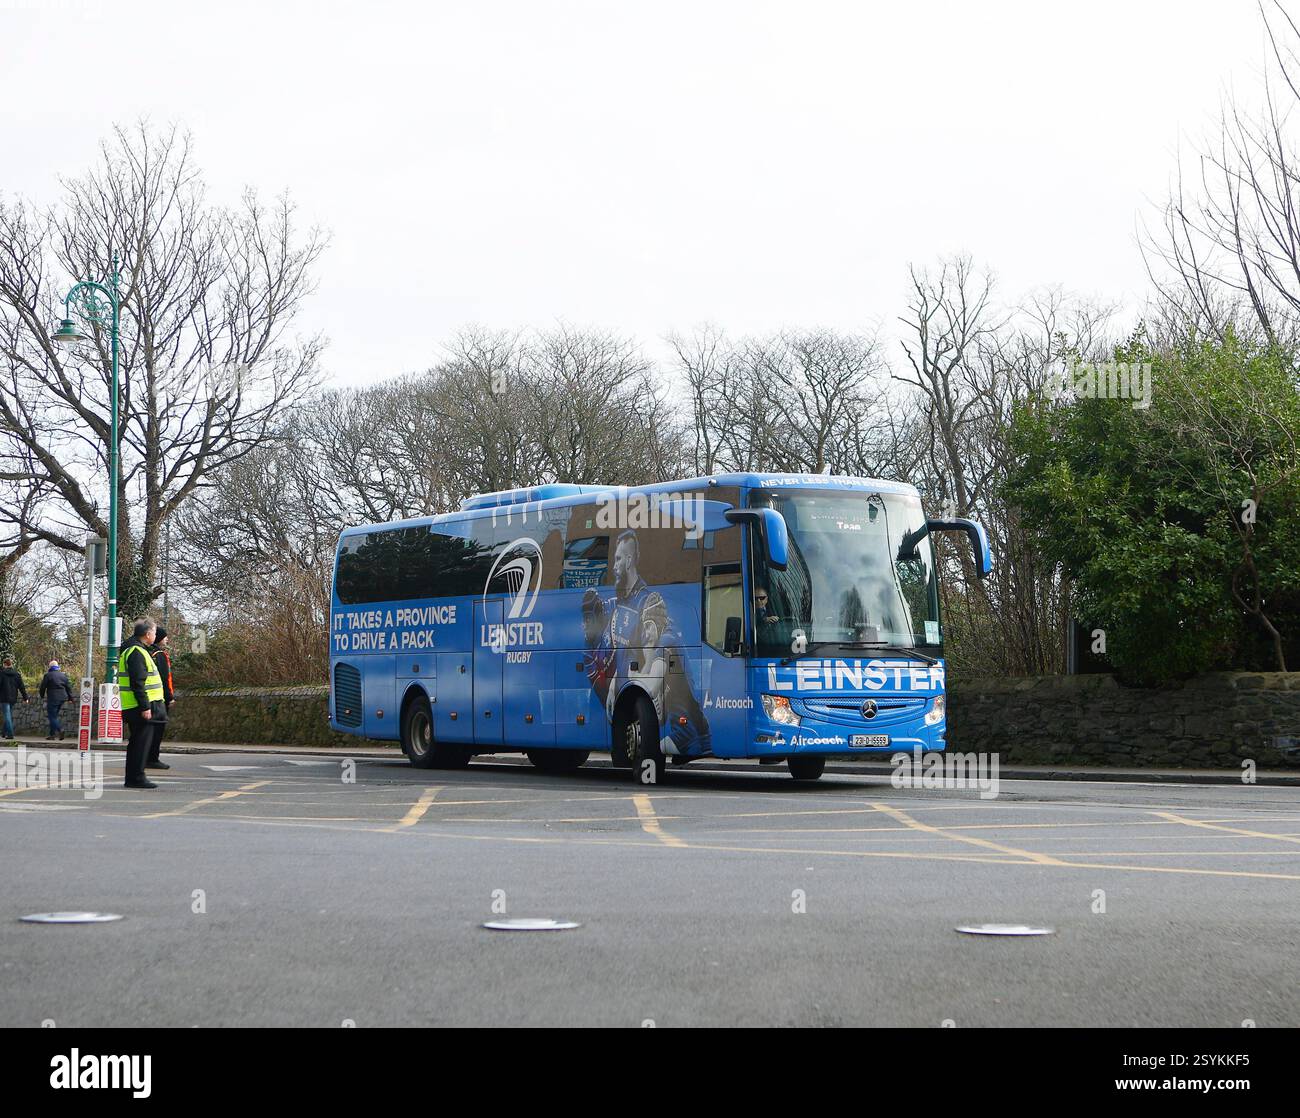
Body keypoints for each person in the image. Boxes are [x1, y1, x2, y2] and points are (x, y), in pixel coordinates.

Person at [117, 618, 167, 790]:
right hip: (140, 707)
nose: (155, 635)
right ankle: (136, 778)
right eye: (154, 632)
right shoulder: (136, 652)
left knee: (138, 743)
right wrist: (145, 707)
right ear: (147, 634)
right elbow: (138, 682)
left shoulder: (136, 650)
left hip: (138, 705)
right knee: (140, 744)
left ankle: (134, 777)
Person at [146, 626, 174, 770]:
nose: (167, 639)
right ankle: (153, 758)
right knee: (158, 730)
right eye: (165, 636)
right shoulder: (160, 655)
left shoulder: (147, 652)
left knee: (148, 731)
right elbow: (164, 678)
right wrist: (169, 697)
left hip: (147, 698)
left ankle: (145, 757)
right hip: (159, 698)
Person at [38, 660, 72, 741]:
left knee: (51, 716)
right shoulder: (63, 676)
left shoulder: (48, 675)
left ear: (50, 667)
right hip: (63, 698)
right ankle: (52, 735)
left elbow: (43, 687)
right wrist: (70, 698)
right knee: (54, 716)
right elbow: (68, 688)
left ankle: (60, 729)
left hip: (53, 698)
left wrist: (42, 695)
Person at [0, 656, 29, 742]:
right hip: (13, 698)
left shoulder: (1, 673)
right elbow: (22, 687)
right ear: (11, 664)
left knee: (7, 716)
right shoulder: (17, 674)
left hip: (4, 698)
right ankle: (4, 732)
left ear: (5, 664)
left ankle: (10, 734)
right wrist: (25, 697)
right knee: (8, 715)